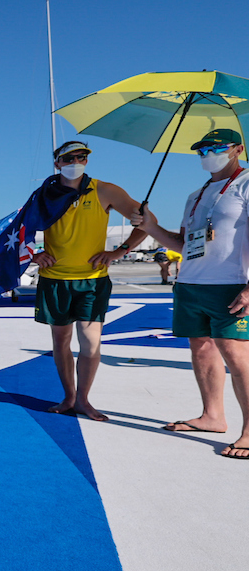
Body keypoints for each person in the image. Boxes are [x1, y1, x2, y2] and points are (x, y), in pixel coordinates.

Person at [132, 129, 249, 457]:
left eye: (216, 147)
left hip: (231, 282)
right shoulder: (195, 195)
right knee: (201, 350)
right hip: (191, 283)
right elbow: (184, 246)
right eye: (201, 149)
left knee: (236, 354)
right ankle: (212, 416)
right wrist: (151, 227)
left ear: (238, 149)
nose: (207, 154)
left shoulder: (246, 184)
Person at [29, 141, 149, 421]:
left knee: (90, 342)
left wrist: (119, 251)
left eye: (82, 157)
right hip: (54, 280)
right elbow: (17, 232)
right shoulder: (43, 194)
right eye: (69, 158)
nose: (76, 161)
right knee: (61, 341)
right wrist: (34, 254)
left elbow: (146, 222)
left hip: (92, 280)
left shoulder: (104, 190)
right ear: (57, 163)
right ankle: (69, 396)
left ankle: (83, 399)